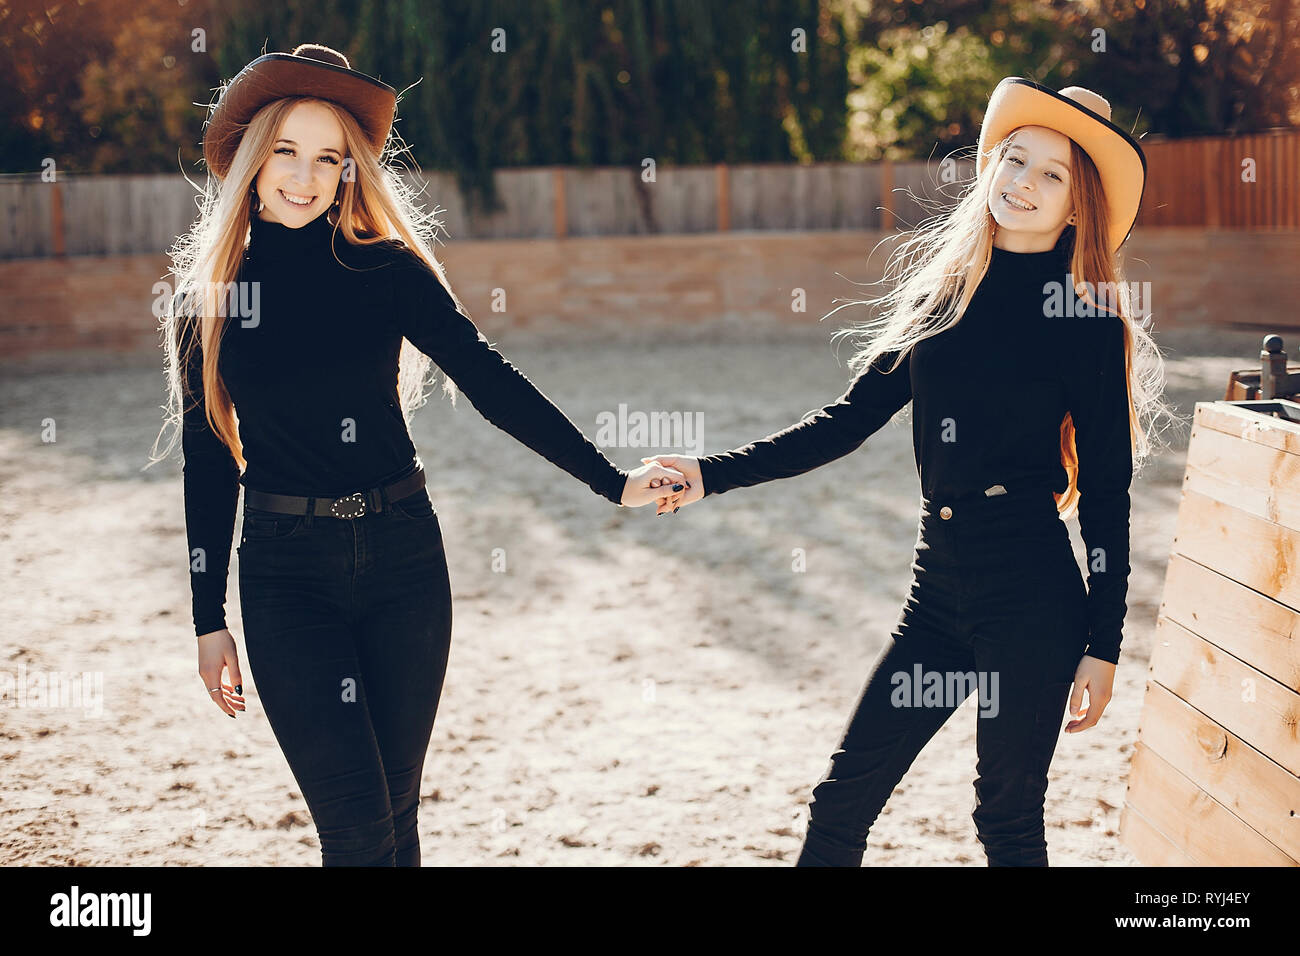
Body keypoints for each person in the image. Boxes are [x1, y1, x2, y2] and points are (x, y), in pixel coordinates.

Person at [148, 43, 689, 866]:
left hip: (405, 560)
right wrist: (206, 618)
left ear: (349, 172)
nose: (304, 175)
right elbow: (209, 459)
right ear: (254, 162)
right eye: (287, 151)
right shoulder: (210, 303)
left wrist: (609, 480)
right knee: (359, 830)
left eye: (327, 157)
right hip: (286, 576)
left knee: (397, 824)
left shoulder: (387, 271)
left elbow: (488, 379)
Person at [644, 78, 1177, 866]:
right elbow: (843, 423)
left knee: (1005, 823)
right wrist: (707, 472)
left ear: (1078, 205)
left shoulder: (1087, 325)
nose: (1023, 183)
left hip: (1032, 601)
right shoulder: (945, 299)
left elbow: (1106, 495)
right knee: (840, 804)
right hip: (937, 594)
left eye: (1052, 174)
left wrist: (1104, 644)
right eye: (1015, 160)